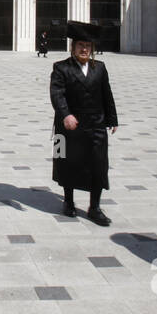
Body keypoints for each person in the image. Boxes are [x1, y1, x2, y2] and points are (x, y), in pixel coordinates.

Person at [50, 21, 117, 225]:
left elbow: (107, 94)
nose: (85, 49)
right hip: (69, 126)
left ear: (92, 49)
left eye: (88, 46)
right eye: (80, 45)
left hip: (95, 124)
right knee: (67, 163)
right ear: (73, 47)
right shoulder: (61, 68)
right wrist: (66, 115)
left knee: (98, 165)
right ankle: (68, 202)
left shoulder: (100, 68)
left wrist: (113, 119)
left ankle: (94, 207)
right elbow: (57, 94)